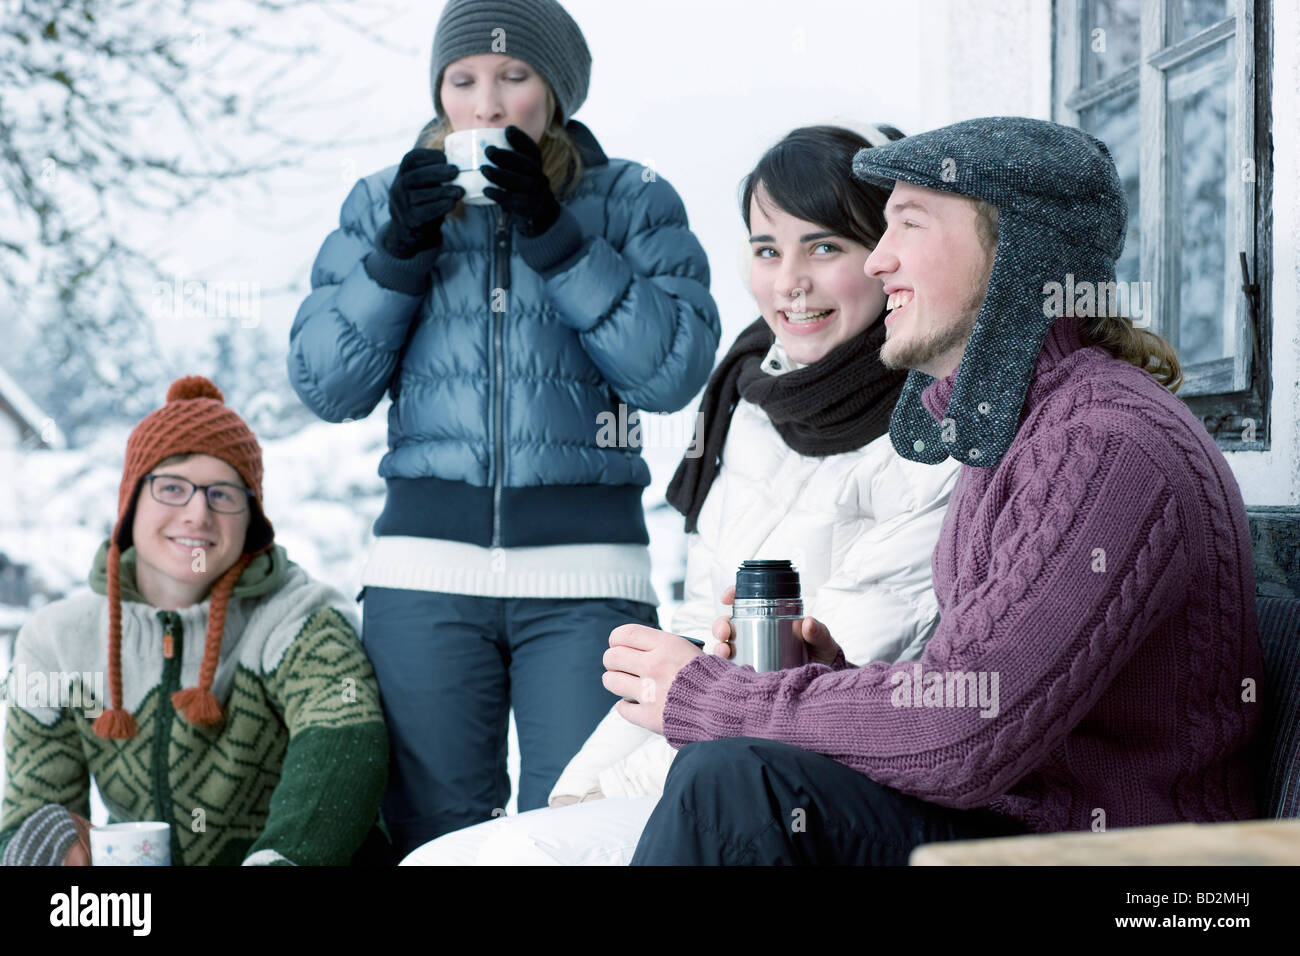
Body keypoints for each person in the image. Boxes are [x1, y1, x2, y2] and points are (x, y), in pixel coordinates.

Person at [600, 116, 1262, 865]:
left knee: (733, 783)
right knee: (738, 776)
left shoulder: (1106, 442)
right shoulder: (1015, 430)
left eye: (907, 226)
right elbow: (977, 698)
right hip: (1012, 826)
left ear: (1016, 251)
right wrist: (828, 681)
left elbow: (968, 728)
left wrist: (708, 697)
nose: (879, 262)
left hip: (1131, 864)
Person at [399, 125, 963, 865]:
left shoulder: (937, 432)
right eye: (767, 250)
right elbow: (701, 621)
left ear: (885, 259)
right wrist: (606, 785)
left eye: (824, 247)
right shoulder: (751, 398)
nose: (789, 281)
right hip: (702, 750)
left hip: (811, 787)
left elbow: (859, 652)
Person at [286, 0, 720, 859]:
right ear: (441, 92)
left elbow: (670, 372)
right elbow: (327, 384)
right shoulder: (383, 201)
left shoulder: (631, 198)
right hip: (424, 577)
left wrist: (557, 238)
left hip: (586, 579)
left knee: (580, 827)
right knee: (432, 837)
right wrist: (397, 252)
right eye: (464, 80)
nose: (486, 105)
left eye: (514, 77)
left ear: (555, 92)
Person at [0, 377, 388, 866]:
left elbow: (344, 744)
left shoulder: (301, 616)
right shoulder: (57, 640)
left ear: (252, 519)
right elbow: (31, 806)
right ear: (131, 503)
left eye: (223, 494)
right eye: (172, 488)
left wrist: (281, 861)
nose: (197, 513)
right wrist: (47, 842)